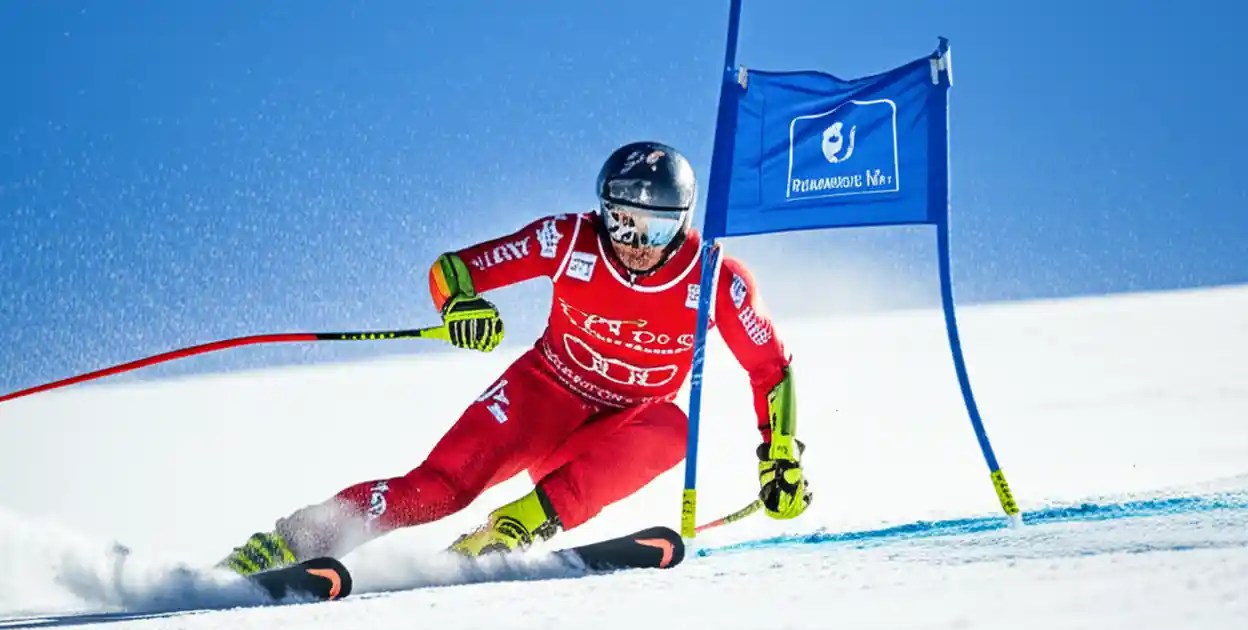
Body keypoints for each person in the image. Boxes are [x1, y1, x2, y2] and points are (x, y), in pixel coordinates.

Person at [220, 141, 811, 574]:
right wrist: (460, 305)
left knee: (674, 429)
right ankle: (291, 541)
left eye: (652, 232)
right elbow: (456, 269)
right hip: (542, 395)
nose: (632, 245)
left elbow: (770, 367)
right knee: (439, 490)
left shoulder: (715, 279)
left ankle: (510, 529)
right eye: (621, 223)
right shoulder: (568, 240)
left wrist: (779, 455)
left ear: (682, 223)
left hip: (612, 431)